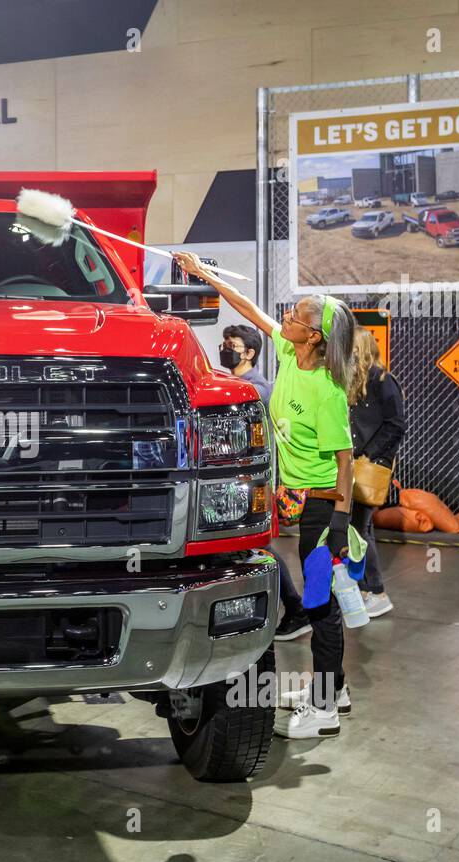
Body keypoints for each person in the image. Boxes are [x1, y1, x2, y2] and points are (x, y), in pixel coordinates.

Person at [176, 251, 357, 740]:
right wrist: (202, 274)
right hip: (297, 497)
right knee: (317, 597)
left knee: (319, 603)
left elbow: (345, 462)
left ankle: (323, 712)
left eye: (299, 316)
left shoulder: (328, 390)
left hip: (322, 504)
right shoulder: (286, 349)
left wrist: (339, 523)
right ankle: (334, 688)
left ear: (314, 336)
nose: (288, 317)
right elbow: (248, 308)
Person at [219, 324, 311, 641]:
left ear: (250, 353)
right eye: (224, 343)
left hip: (253, 483)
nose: (225, 348)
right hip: (240, 483)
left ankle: (293, 609)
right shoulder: (237, 384)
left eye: (231, 344)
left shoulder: (255, 389)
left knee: (261, 547)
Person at [348, 329, 406, 618]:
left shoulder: (383, 381)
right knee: (358, 529)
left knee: (359, 529)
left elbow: (396, 425)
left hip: (369, 466)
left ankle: (378, 591)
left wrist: (370, 455)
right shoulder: (353, 382)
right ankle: (363, 588)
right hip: (354, 464)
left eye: (352, 347)